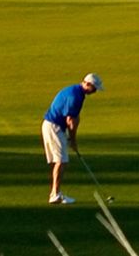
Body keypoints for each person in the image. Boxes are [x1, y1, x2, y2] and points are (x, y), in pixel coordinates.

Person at [41, 73, 104, 204]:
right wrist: (73, 140)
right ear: (87, 84)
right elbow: (71, 121)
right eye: (94, 88)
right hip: (54, 126)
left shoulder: (75, 90)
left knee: (60, 160)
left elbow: (75, 117)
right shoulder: (76, 96)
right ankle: (55, 194)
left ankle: (55, 193)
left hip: (52, 125)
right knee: (61, 161)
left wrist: (70, 137)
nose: (95, 91)